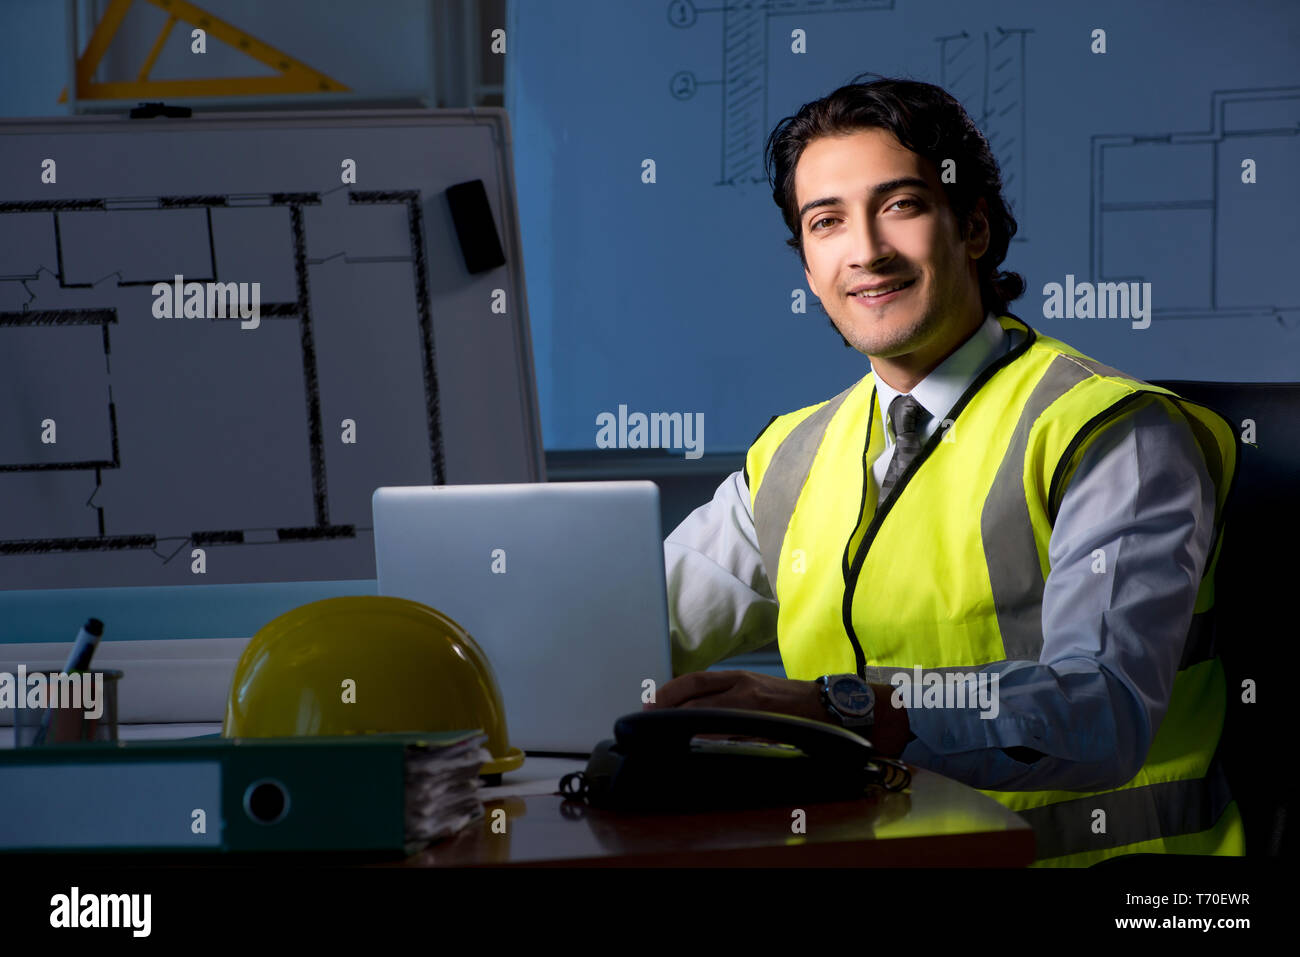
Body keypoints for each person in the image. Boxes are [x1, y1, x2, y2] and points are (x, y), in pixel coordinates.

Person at [650, 74, 1243, 867]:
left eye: (900, 205)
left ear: (972, 227)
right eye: (826, 222)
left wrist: (839, 711)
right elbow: (636, 628)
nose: (866, 251)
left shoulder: (1107, 430)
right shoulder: (790, 458)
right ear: (808, 270)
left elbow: (1102, 709)